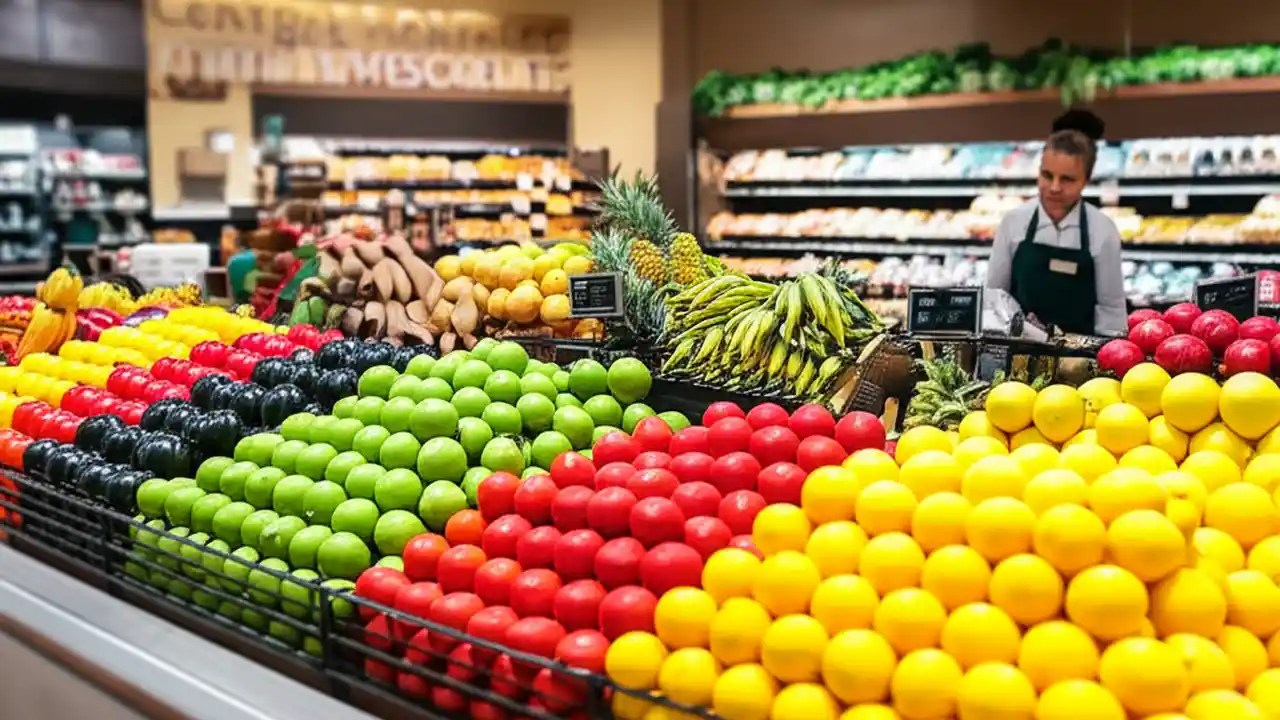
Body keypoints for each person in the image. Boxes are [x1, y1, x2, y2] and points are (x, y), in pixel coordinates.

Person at [985, 110, 1127, 336]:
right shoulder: (1014, 223)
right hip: (1019, 352)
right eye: (1047, 175)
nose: (1054, 187)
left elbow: (1111, 310)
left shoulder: (1103, 230)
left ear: (1086, 181)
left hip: (1079, 358)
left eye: (1067, 179)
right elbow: (993, 297)